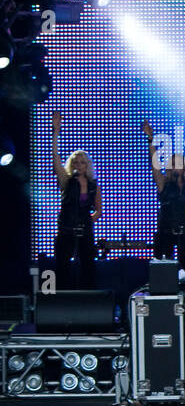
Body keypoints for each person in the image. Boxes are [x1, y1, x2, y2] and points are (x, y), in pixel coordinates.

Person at [143, 121, 185, 279]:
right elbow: (155, 166)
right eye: (173, 163)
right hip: (165, 233)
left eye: (179, 164)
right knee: (164, 271)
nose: (176, 167)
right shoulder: (164, 183)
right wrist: (150, 140)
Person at [50, 110, 100, 290]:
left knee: (88, 267)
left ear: (87, 165)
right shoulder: (66, 180)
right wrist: (56, 131)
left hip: (85, 232)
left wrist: (87, 221)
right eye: (76, 162)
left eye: (82, 162)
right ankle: (62, 302)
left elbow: (98, 211)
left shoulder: (94, 185)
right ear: (72, 164)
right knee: (63, 268)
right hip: (66, 231)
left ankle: (89, 304)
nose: (79, 165)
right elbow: (56, 159)